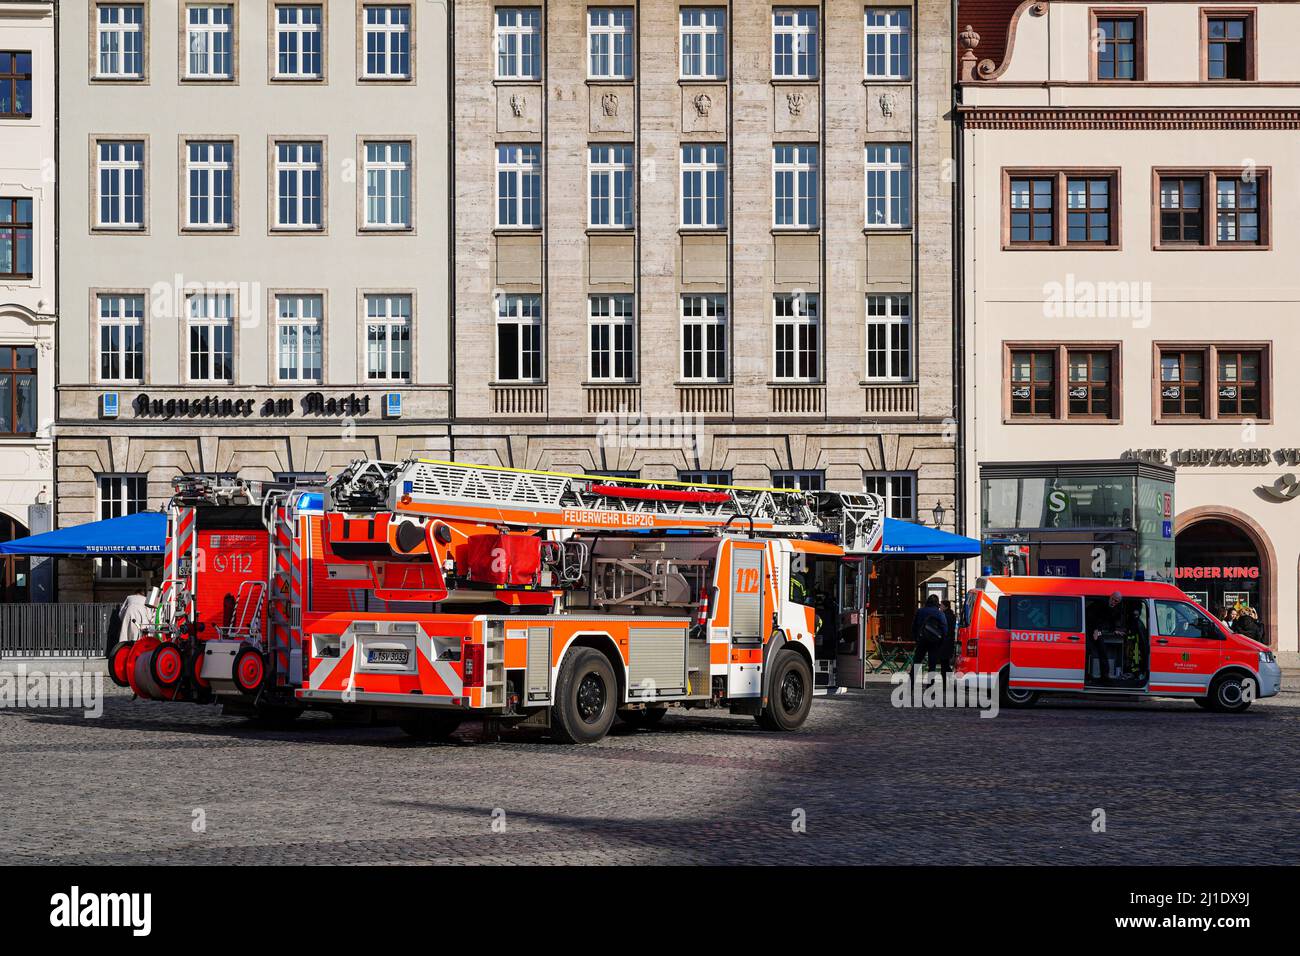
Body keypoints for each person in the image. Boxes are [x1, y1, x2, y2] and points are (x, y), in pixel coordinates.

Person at [911, 594, 949, 679]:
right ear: (937, 603)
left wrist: (916, 639)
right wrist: (941, 642)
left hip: (922, 640)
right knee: (932, 666)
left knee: (916, 663)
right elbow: (945, 629)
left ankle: (911, 685)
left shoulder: (920, 611)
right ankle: (930, 688)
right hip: (934, 641)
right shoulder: (940, 613)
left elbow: (913, 626)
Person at [941, 599, 958, 670]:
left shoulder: (943, 616)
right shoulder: (952, 615)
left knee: (944, 663)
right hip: (950, 640)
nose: (940, 607)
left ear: (946, 607)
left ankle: (947, 677)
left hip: (944, 640)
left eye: (941, 606)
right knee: (946, 662)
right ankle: (948, 677)